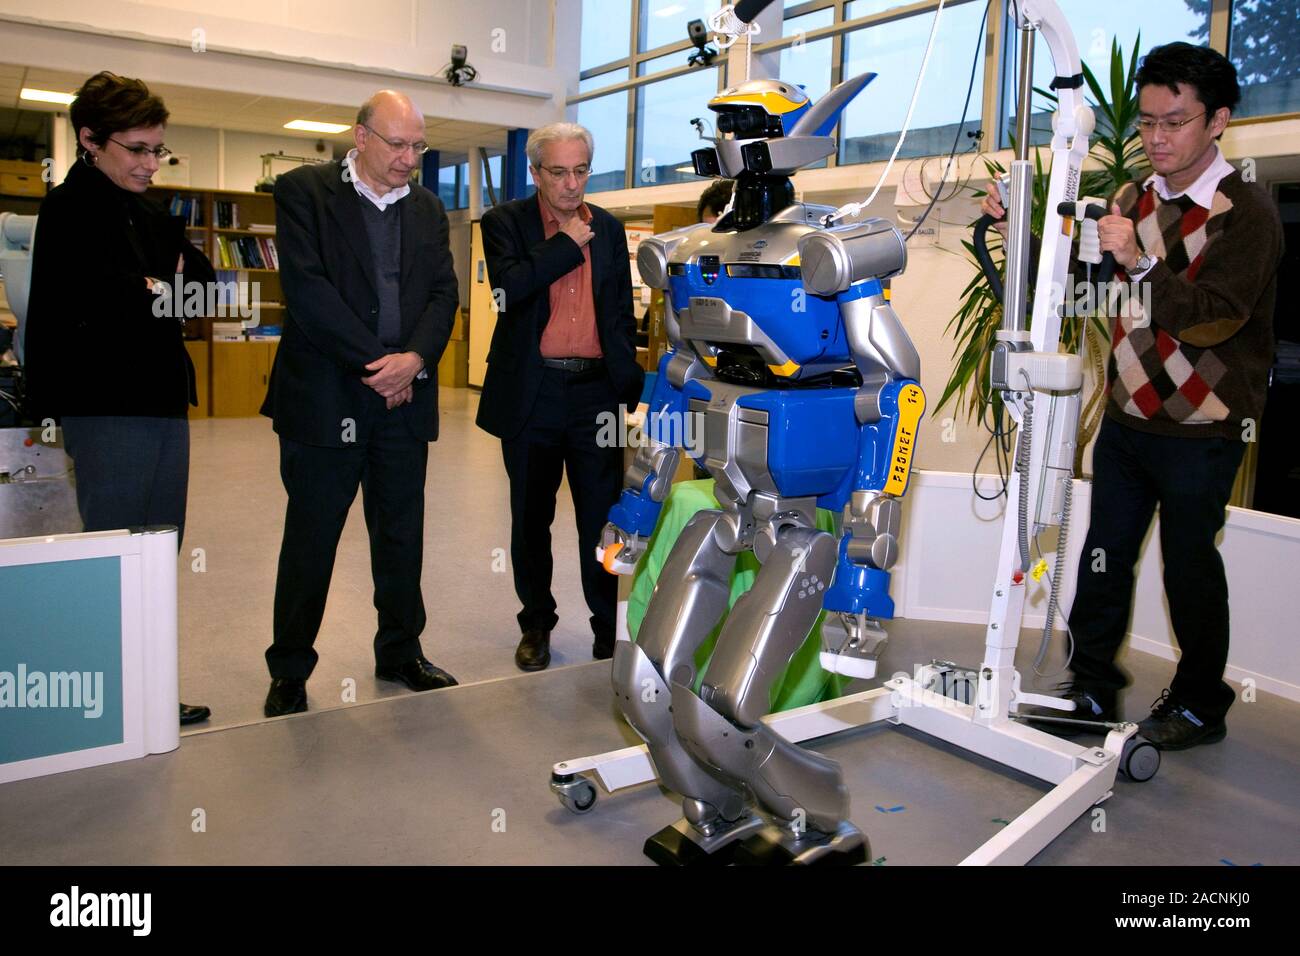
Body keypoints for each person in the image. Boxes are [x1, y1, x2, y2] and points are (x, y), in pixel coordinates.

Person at [982, 42, 1282, 750]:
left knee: (1190, 567)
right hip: (1127, 417)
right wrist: (1013, 232)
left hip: (1204, 426)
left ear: (1218, 122)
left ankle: (1202, 705)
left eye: (1174, 122)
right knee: (1103, 557)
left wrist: (1142, 261)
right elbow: (1077, 283)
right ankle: (1092, 687)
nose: (1156, 138)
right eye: (1146, 122)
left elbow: (1214, 317)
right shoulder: (1129, 200)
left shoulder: (1248, 213)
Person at [23, 71, 216, 727]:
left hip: (161, 398)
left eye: (156, 149)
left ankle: (151, 690)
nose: (149, 163)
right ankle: (107, 701)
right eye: (136, 149)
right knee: (115, 552)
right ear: (90, 140)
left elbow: (206, 289)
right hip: (105, 404)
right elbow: (108, 306)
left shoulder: (148, 209)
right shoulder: (72, 209)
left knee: (160, 549)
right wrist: (159, 288)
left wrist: (156, 287)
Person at [261, 90, 460, 717]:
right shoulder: (303, 192)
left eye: (418, 146)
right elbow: (308, 292)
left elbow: (442, 295)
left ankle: (401, 651)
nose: (409, 158)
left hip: (404, 401)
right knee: (312, 537)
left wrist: (416, 360)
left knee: (401, 535)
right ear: (361, 137)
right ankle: (290, 668)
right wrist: (381, 365)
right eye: (397, 144)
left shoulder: (428, 209)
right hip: (326, 399)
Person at [477, 122, 644, 672]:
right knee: (531, 518)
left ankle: (605, 628)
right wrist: (566, 245)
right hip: (534, 390)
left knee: (602, 519)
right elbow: (508, 289)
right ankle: (536, 625)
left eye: (581, 170)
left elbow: (620, 308)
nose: (572, 184)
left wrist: (626, 384)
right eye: (559, 172)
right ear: (535, 172)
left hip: (596, 393)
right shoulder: (506, 223)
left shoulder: (612, 229)